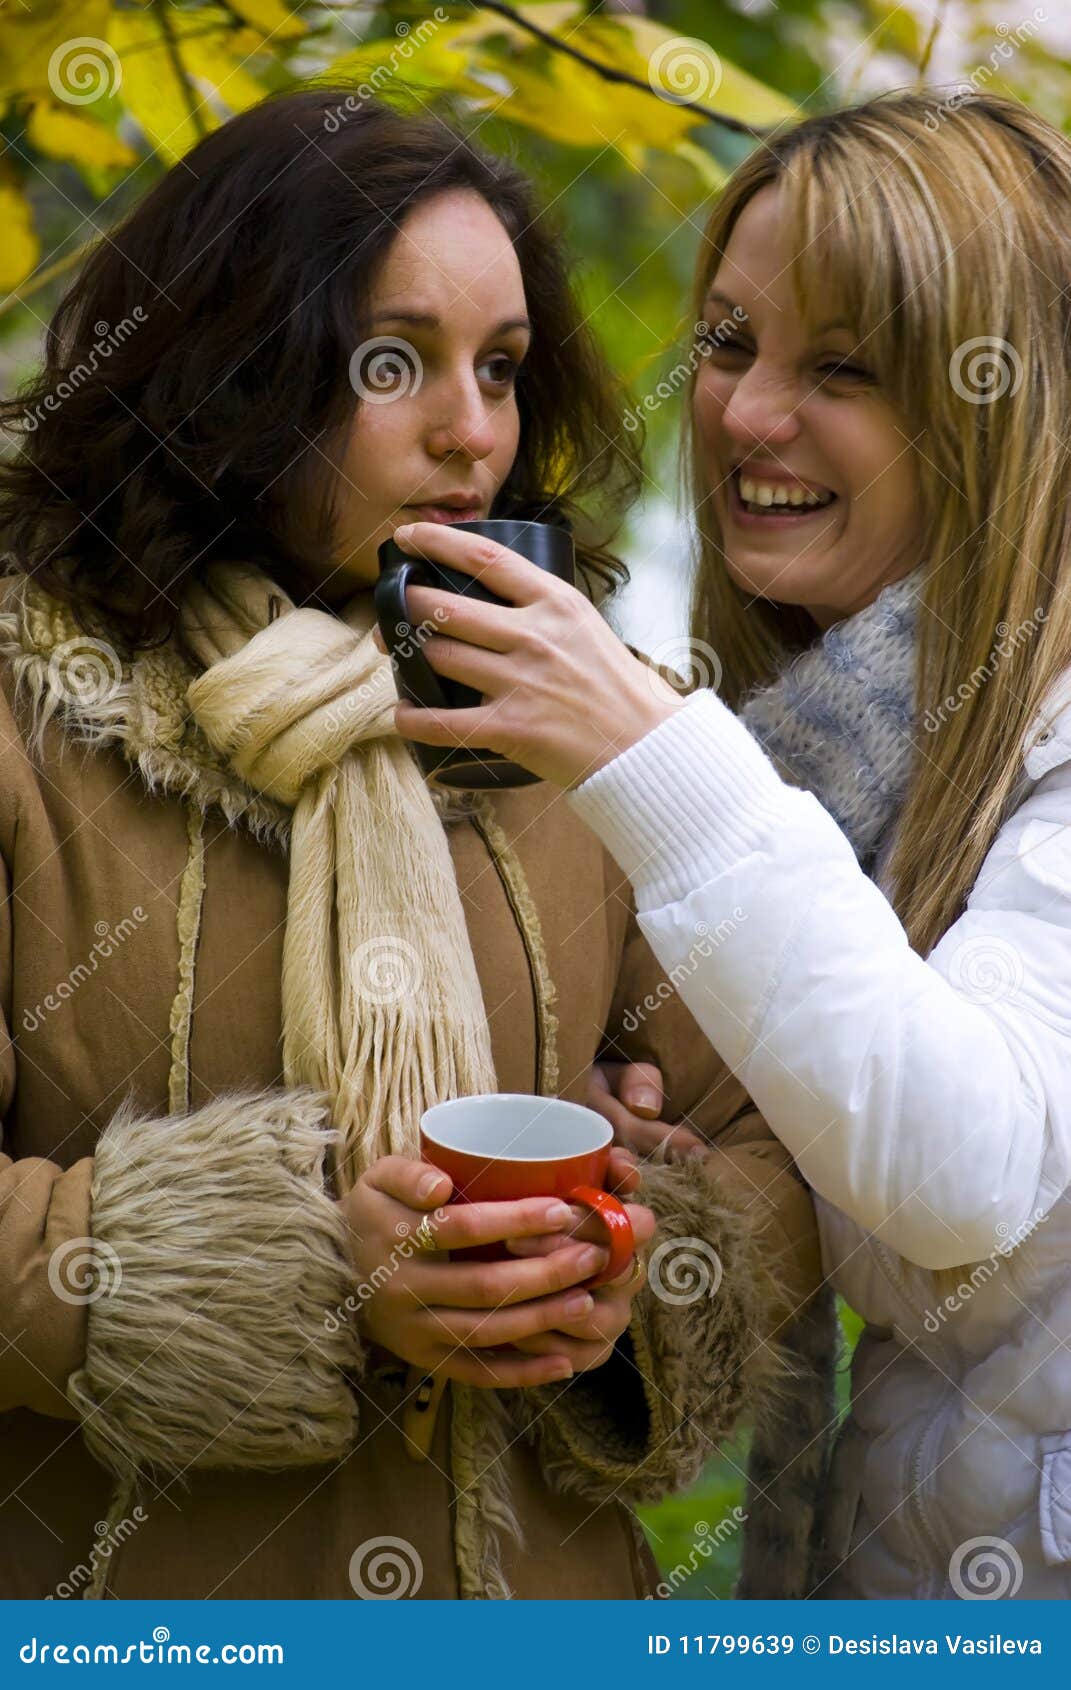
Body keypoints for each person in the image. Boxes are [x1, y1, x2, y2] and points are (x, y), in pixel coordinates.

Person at [0, 90, 824, 1600]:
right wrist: (306, 1266)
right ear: (230, 358)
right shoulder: (26, 712)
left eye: (503, 369)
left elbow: (776, 1140)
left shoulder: (581, 718)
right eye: (396, 362)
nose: (473, 432)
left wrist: (633, 1266)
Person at [387, 90, 1071, 1599]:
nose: (749, 414)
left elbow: (960, 1168)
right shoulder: (836, 742)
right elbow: (847, 1075)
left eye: (844, 367)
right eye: (730, 343)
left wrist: (644, 749)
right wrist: (663, 1142)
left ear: (996, 405)